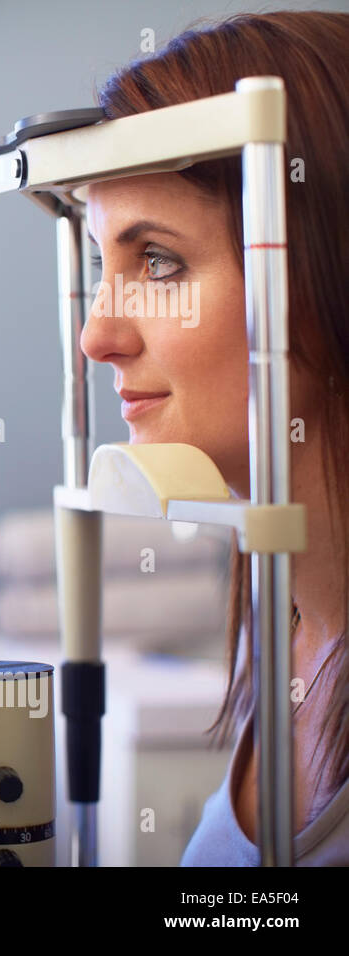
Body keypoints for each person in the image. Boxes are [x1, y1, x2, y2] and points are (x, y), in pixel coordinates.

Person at [76, 12, 349, 864]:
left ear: (319, 270)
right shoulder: (287, 629)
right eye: (99, 269)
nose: (97, 337)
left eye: (157, 264)